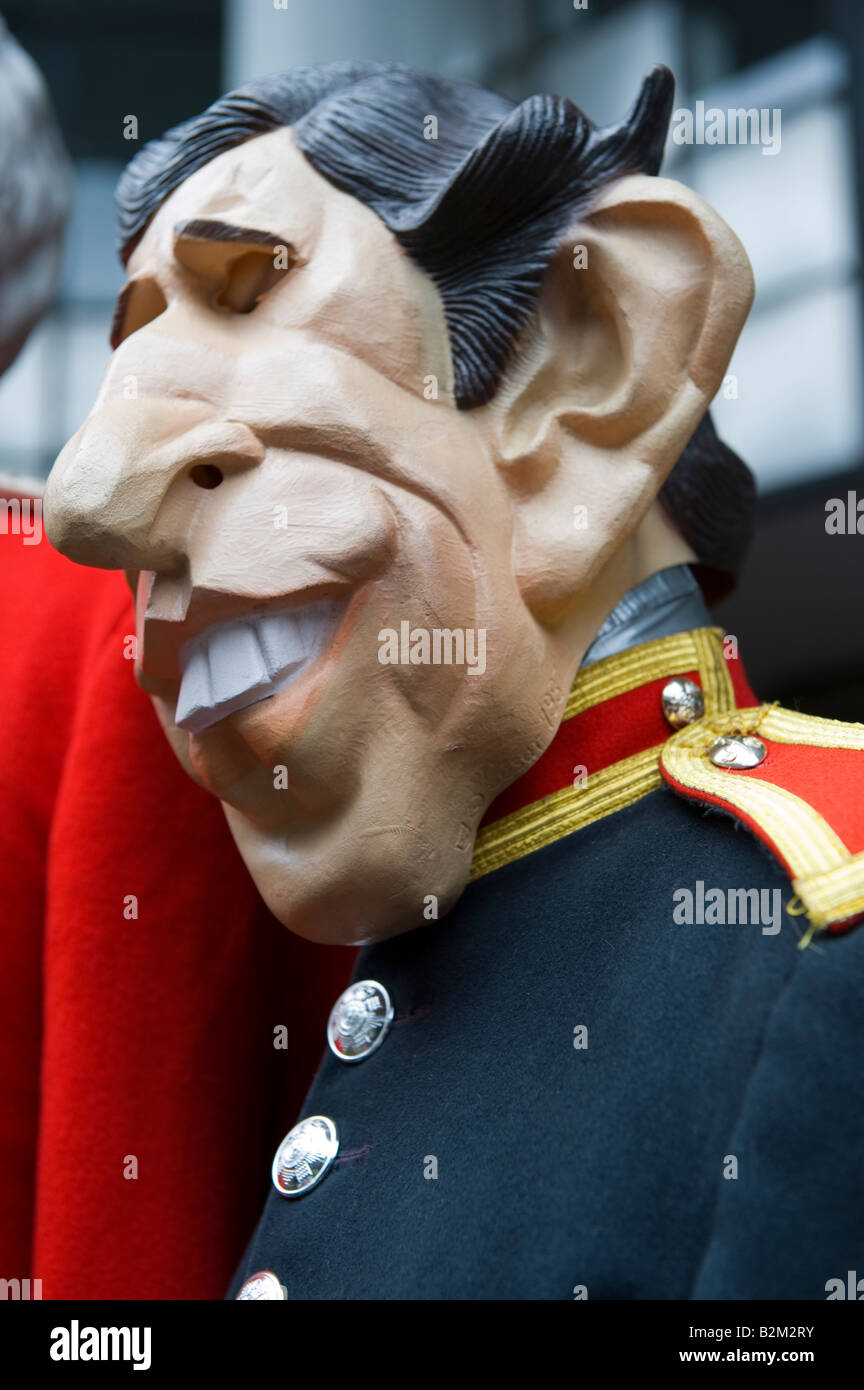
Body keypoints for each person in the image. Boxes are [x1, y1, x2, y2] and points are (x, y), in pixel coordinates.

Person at [6, 62, 864, 1300]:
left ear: (589, 359)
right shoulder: (423, 969)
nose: (89, 502)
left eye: (246, 298)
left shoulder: (816, 941)